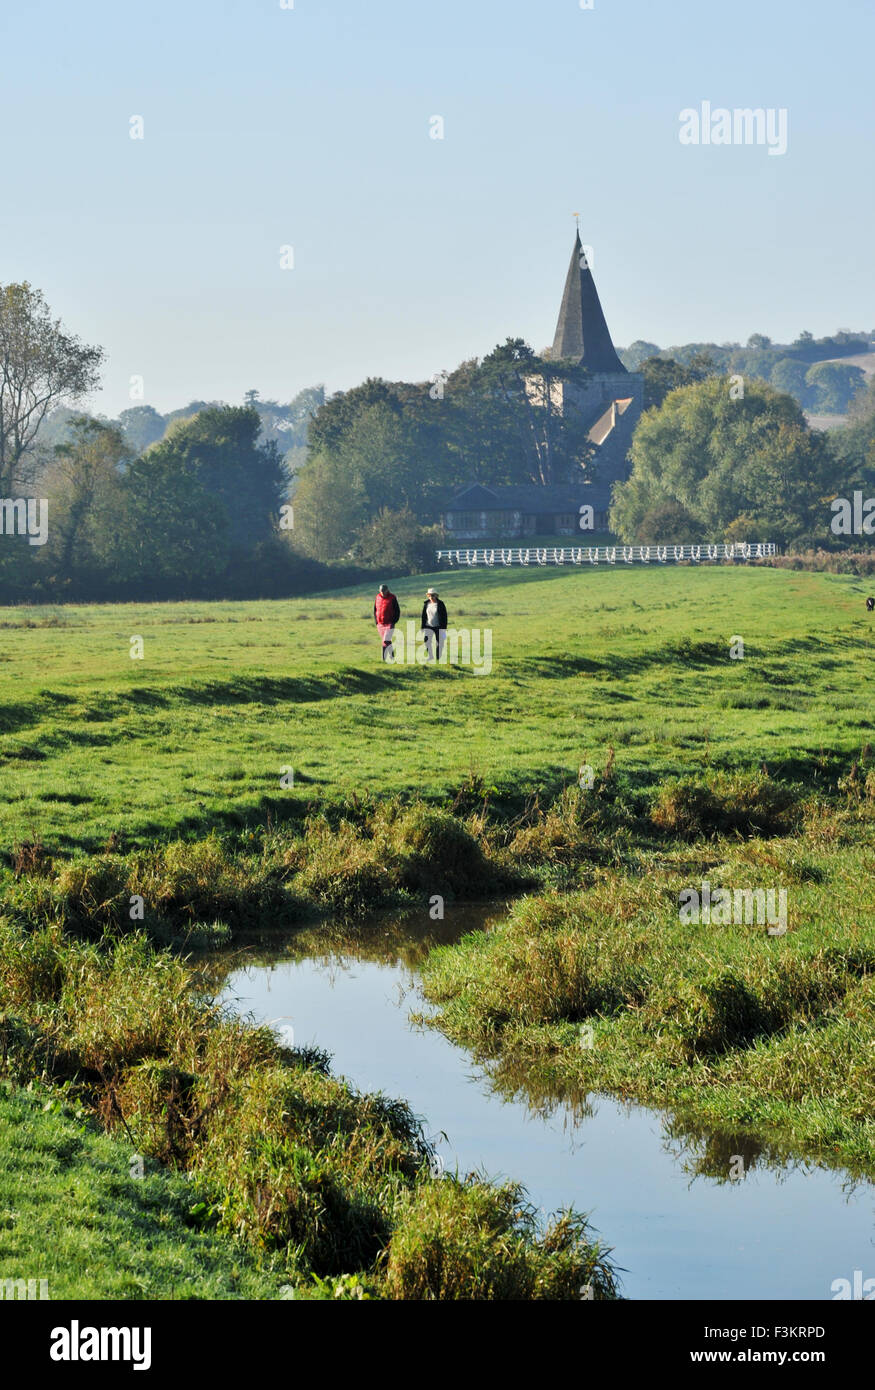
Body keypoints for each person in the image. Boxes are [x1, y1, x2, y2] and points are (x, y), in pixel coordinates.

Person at [420, 586, 448, 662]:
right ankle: (430, 656)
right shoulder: (426, 604)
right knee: (427, 641)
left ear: (436, 595)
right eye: (430, 595)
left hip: (439, 626)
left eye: (433, 595)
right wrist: (422, 627)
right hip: (428, 626)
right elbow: (423, 616)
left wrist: (444, 629)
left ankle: (438, 658)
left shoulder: (441, 604)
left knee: (440, 643)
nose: (431, 597)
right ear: (428, 596)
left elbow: (444, 616)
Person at [374, 582, 400, 661]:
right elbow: (375, 609)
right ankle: (385, 659)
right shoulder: (377, 597)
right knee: (384, 641)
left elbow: (397, 610)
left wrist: (394, 621)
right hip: (380, 623)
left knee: (386, 640)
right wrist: (376, 622)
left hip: (389, 623)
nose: (382, 593)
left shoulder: (392, 598)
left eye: (384, 591)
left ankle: (391, 657)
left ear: (387, 590)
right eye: (381, 591)